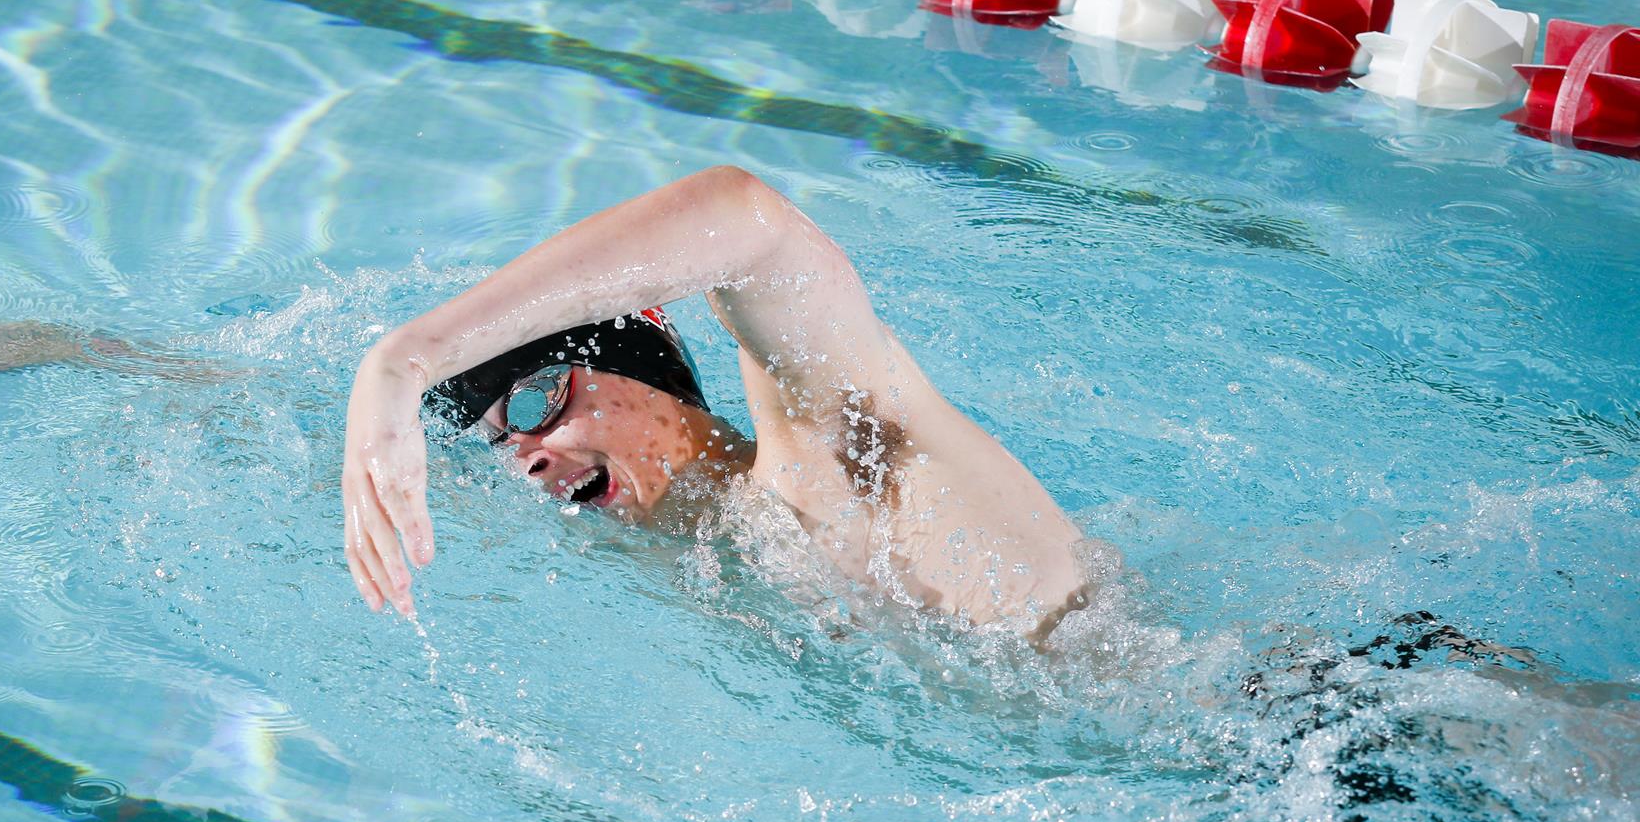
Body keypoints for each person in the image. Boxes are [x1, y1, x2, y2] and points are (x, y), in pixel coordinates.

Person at [340, 165, 1086, 631]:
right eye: (502, 445)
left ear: (642, 369)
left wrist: (400, 366)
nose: (528, 462)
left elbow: (751, 220)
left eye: (534, 406)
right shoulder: (702, 567)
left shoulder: (837, 450)